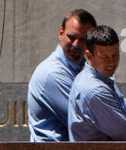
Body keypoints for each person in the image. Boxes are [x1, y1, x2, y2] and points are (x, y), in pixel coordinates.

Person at [26, 9, 97, 142]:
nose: (76, 44)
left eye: (83, 40)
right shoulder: (51, 73)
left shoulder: (87, 68)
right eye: (72, 37)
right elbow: (84, 123)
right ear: (61, 33)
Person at [67, 24, 126, 141]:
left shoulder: (103, 78)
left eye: (115, 55)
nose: (111, 62)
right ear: (89, 56)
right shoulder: (94, 90)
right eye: (104, 57)